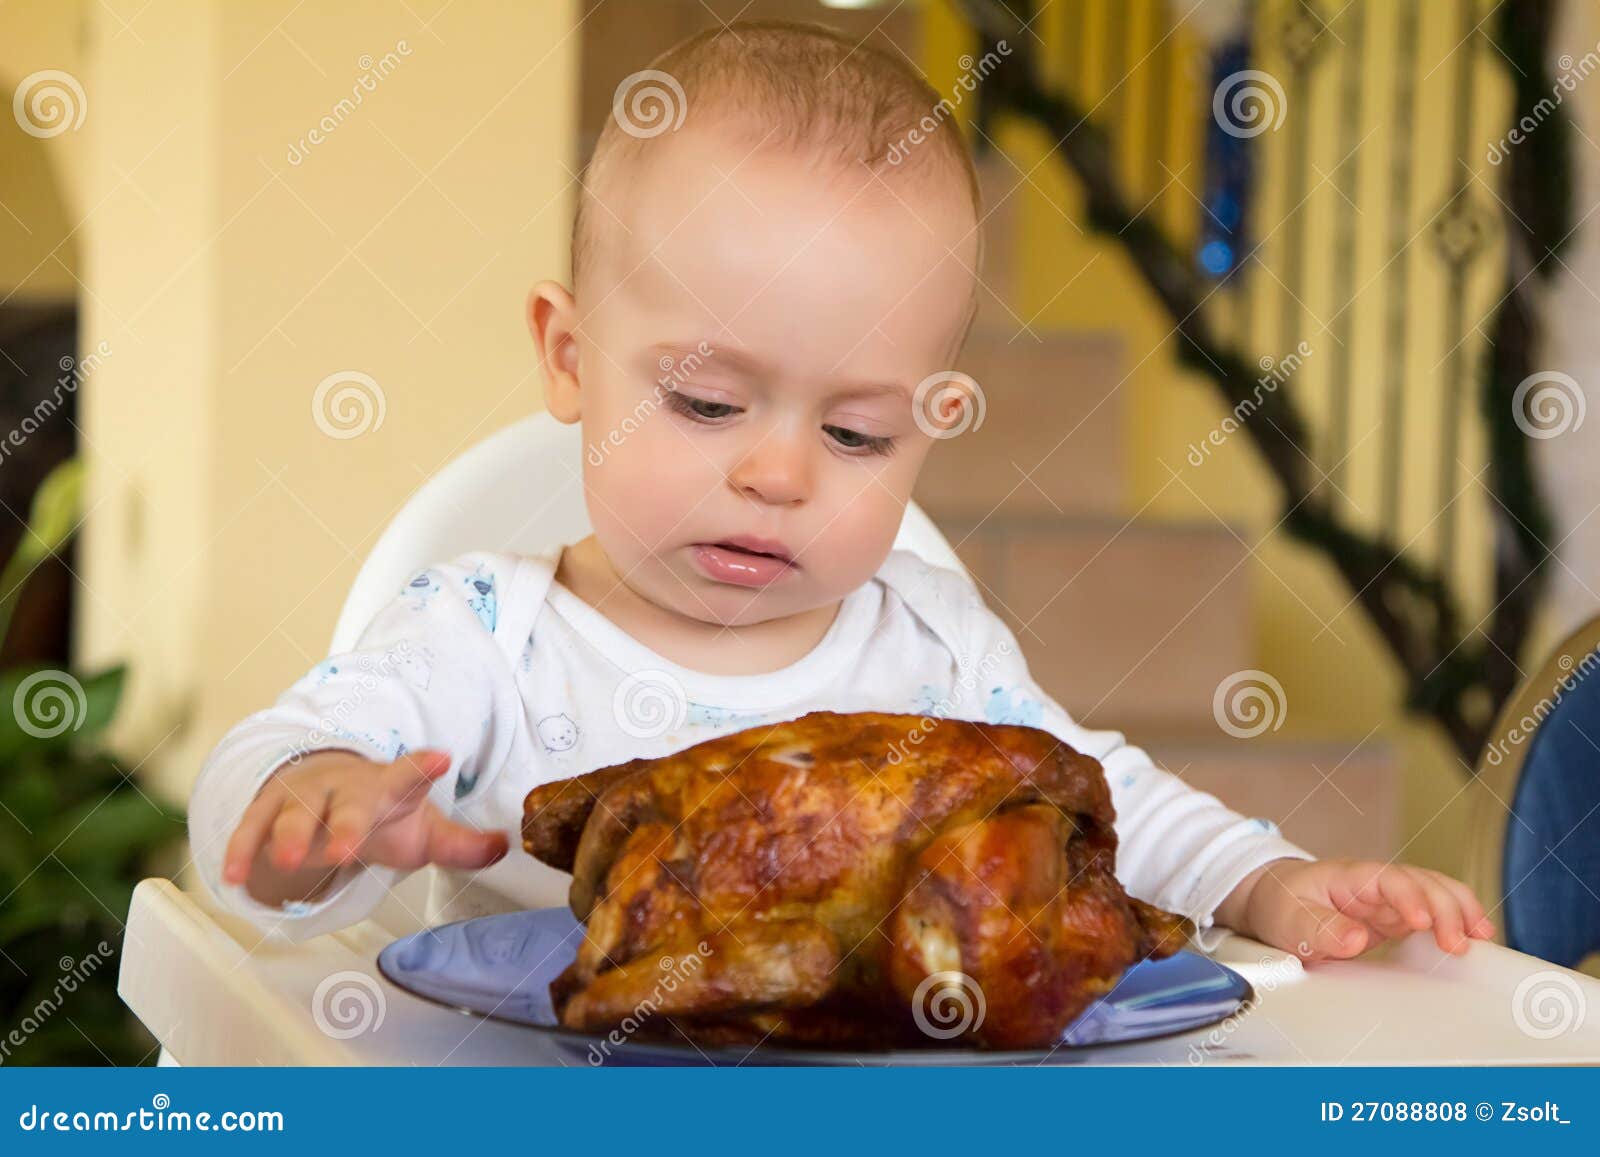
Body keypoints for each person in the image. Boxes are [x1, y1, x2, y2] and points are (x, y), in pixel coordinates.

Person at [191, 20, 1494, 966]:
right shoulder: (479, 636)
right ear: (571, 358)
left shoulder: (929, 648)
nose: (778, 472)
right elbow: (258, 774)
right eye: (706, 403)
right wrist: (310, 806)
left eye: (860, 432)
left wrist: (1267, 882)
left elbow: (1101, 799)